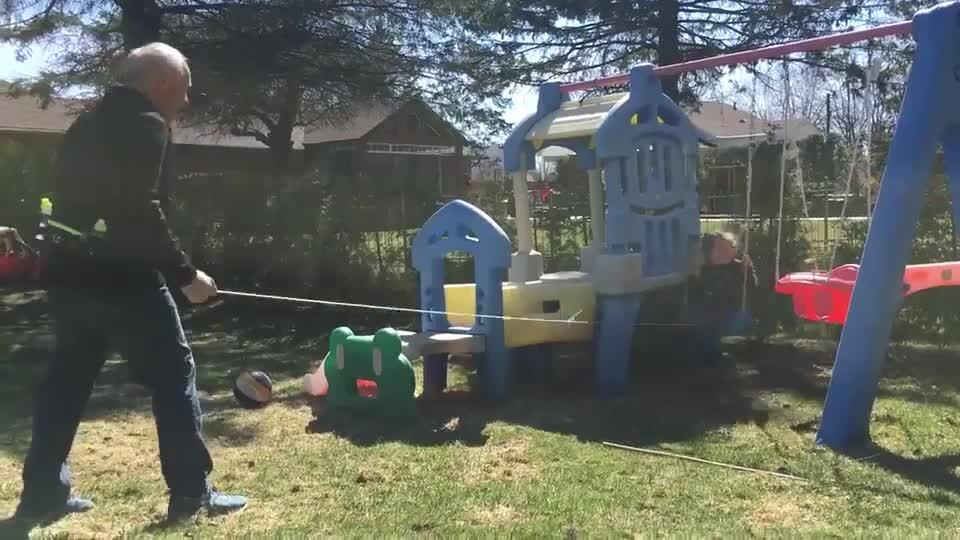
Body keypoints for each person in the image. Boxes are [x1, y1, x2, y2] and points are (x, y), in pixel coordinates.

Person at [12, 42, 247, 525]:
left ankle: (42, 497)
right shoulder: (146, 124)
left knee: (66, 384)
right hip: (122, 279)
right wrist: (187, 276)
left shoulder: (87, 122)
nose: (184, 100)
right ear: (159, 82)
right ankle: (190, 495)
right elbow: (139, 209)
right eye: (183, 88)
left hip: (69, 277)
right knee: (173, 373)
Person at [688, 232, 758, 362]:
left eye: (728, 248)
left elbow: (751, 291)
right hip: (710, 317)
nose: (724, 252)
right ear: (708, 252)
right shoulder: (704, 270)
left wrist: (748, 271)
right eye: (719, 248)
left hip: (733, 315)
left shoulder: (738, 267)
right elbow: (697, 295)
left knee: (739, 323)